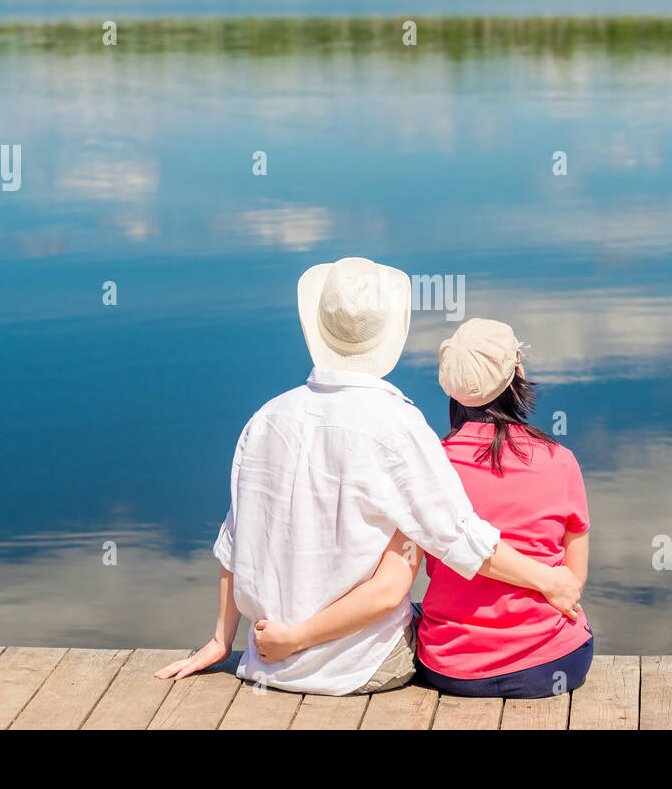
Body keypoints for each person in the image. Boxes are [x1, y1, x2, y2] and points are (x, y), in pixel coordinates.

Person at [155, 258, 581, 696]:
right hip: (363, 668)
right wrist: (550, 580)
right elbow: (457, 539)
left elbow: (234, 542)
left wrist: (220, 640)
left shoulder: (264, 419)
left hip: (267, 658)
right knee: (413, 567)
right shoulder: (397, 424)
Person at [253, 317, 593, 700]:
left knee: (411, 608)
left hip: (452, 668)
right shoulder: (560, 460)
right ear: (518, 372)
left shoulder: (428, 464)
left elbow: (392, 581)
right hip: (552, 665)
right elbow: (572, 583)